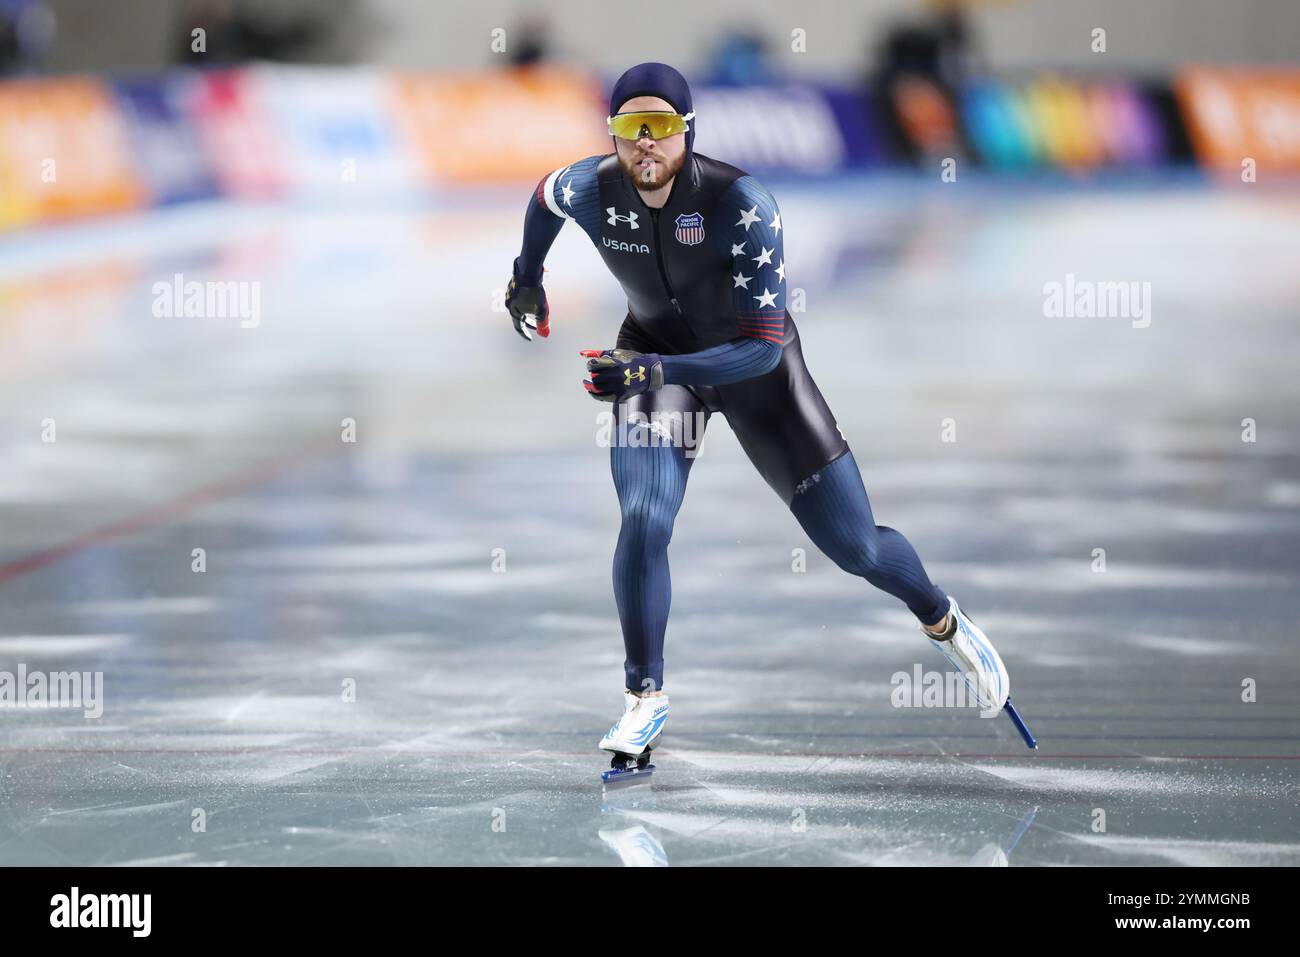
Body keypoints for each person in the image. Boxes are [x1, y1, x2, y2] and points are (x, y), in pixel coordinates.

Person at [505, 62, 1013, 775]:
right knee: (645, 516)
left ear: (687, 132)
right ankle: (644, 695)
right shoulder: (591, 186)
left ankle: (941, 617)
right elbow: (542, 198)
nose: (645, 142)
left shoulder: (742, 204)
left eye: (660, 127)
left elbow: (760, 350)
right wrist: (526, 279)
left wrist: (651, 372)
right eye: (629, 127)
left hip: (753, 372)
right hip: (655, 358)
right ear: (612, 133)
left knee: (858, 549)